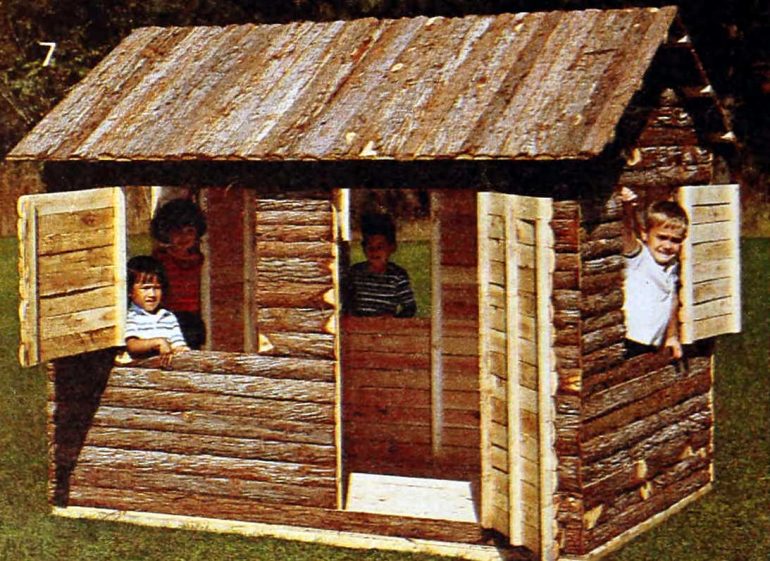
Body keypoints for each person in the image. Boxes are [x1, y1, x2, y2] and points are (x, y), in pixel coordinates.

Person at [620, 187, 688, 359]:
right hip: (629, 341)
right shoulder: (639, 257)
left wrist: (672, 336)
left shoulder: (673, 264)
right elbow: (627, 233)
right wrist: (628, 209)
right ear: (645, 234)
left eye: (675, 240)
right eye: (662, 237)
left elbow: (671, 300)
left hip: (652, 344)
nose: (667, 245)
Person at [150, 197, 207, 349]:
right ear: (166, 233)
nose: (184, 237)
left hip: (194, 321)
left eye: (189, 231)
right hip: (168, 318)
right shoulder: (161, 260)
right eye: (177, 231)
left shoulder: (201, 260)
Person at [346, 213, 417, 318]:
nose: (374, 252)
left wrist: (394, 319)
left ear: (392, 247)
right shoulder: (356, 272)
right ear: (363, 248)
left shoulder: (397, 276)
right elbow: (346, 301)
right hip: (359, 327)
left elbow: (410, 307)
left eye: (380, 247)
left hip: (384, 329)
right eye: (370, 247)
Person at [125, 255, 189, 367]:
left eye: (157, 288)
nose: (152, 294)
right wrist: (157, 343)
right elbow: (132, 345)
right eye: (145, 288)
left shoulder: (168, 317)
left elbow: (178, 345)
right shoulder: (131, 316)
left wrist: (181, 350)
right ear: (130, 291)